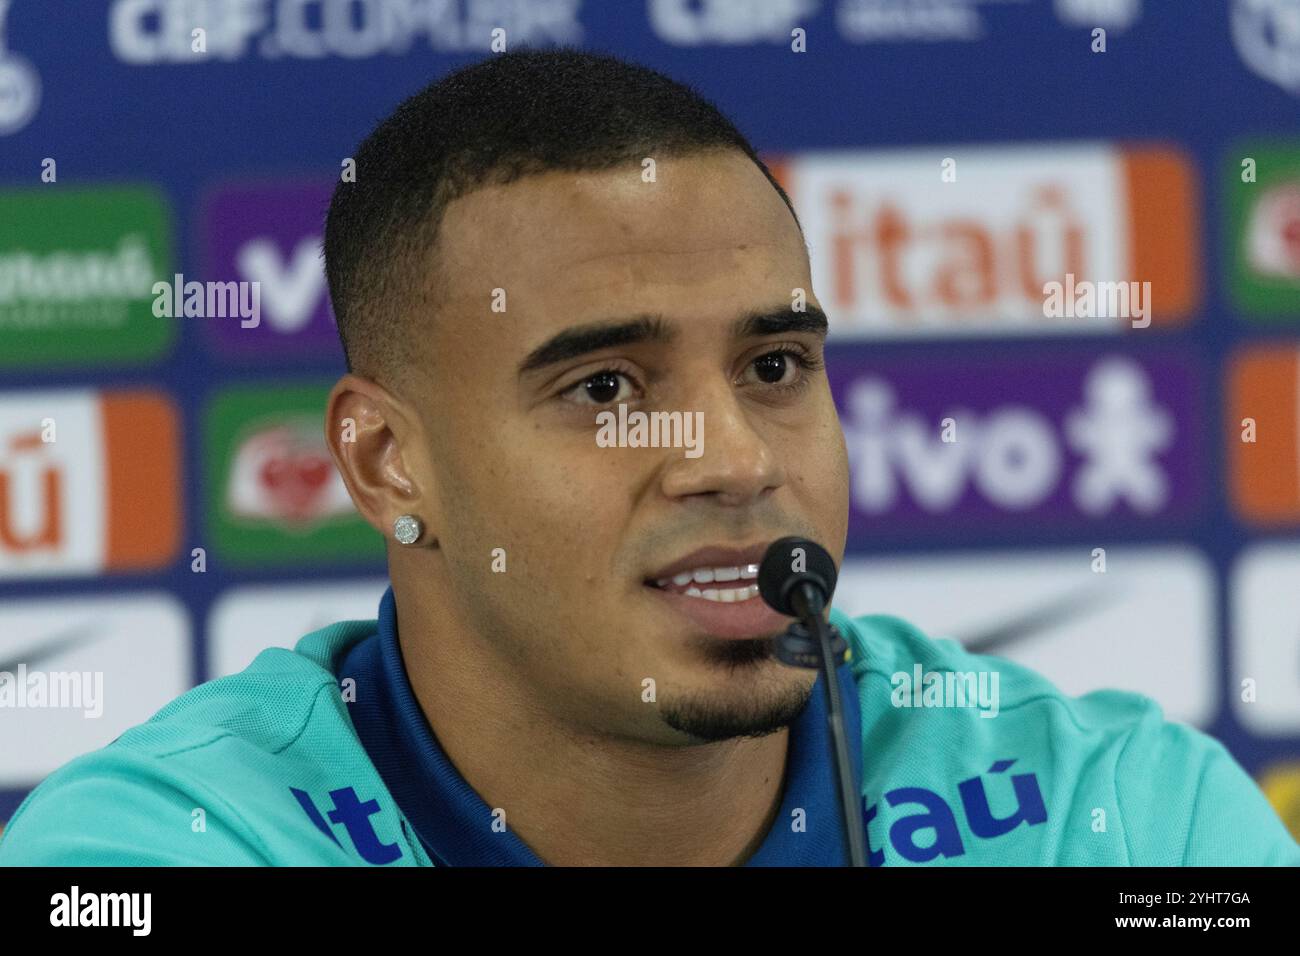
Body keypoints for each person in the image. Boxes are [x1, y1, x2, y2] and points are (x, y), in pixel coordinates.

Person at [1, 49, 1295, 866]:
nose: (731, 458)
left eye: (774, 368)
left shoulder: (1118, 821)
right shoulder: (153, 855)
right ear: (389, 464)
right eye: (607, 386)